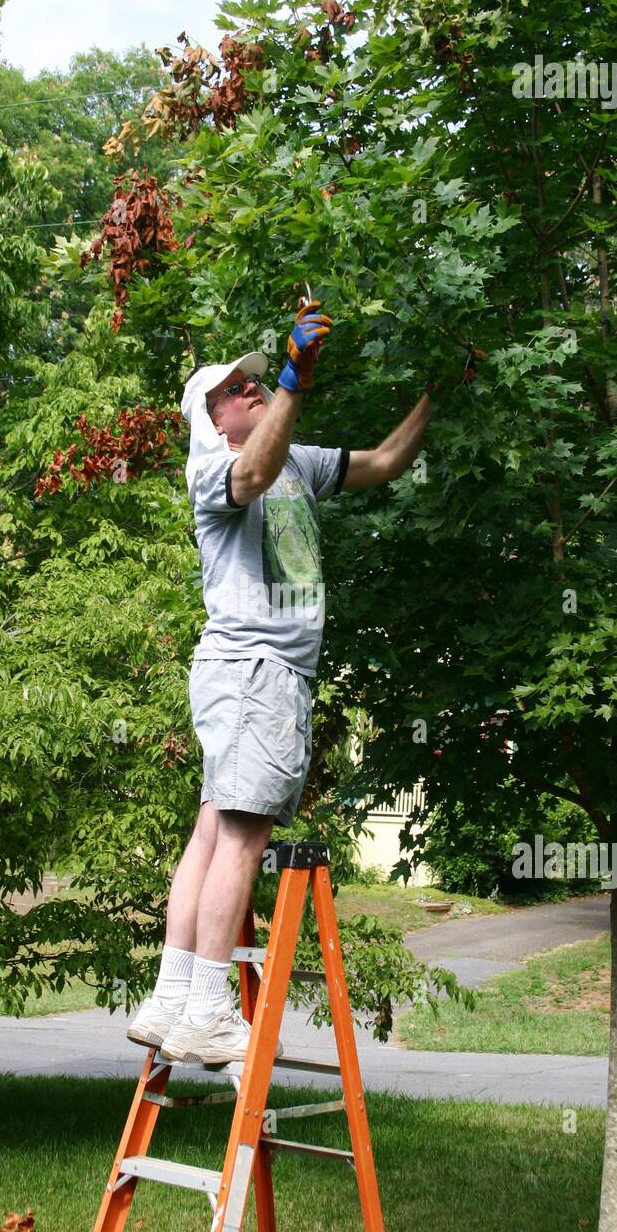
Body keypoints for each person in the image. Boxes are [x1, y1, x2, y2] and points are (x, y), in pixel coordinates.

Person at [127, 298, 433, 1065]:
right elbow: (254, 470)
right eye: (237, 388)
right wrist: (296, 377)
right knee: (242, 837)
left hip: (263, 676)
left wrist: (440, 395)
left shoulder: (298, 457)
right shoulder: (214, 471)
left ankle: (171, 998)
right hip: (252, 671)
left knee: (211, 833)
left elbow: (385, 462)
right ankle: (206, 1007)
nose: (252, 388)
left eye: (258, 380)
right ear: (212, 418)